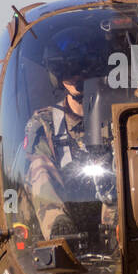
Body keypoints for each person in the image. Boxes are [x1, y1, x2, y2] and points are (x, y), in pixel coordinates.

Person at [23, 26, 111, 241]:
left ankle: (116, 230)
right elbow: (35, 168)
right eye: (66, 71)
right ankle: (58, 227)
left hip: (113, 206)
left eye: (80, 69)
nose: (74, 78)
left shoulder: (118, 116)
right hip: (69, 208)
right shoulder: (45, 123)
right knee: (38, 167)